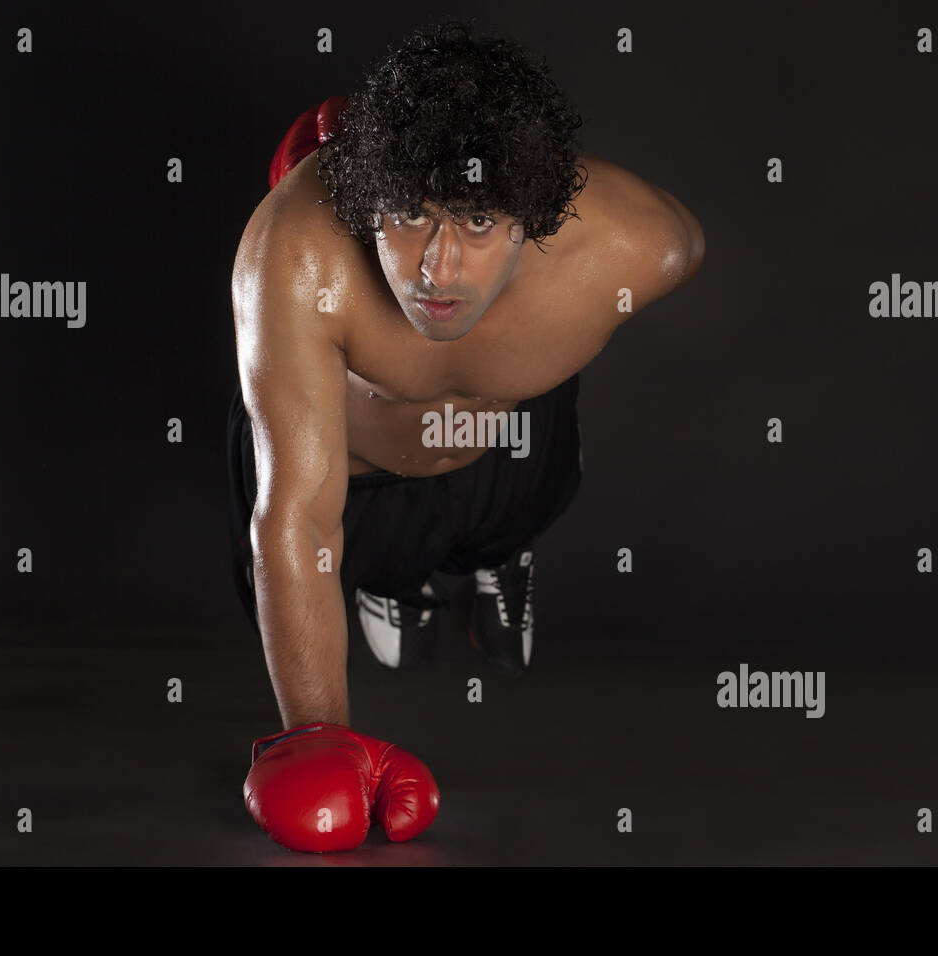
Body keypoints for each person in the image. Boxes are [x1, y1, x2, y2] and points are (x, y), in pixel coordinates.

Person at [228, 20, 705, 852]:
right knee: (319, 537)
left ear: (536, 215)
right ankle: (392, 581)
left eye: (480, 222)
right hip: (360, 486)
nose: (436, 270)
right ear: (367, 196)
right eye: (409, 214)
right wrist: (321, 737)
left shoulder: (643, 246)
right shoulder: (295, 250)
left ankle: (496, 553)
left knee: (525, 494)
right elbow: (300, 518)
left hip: (507, 456)